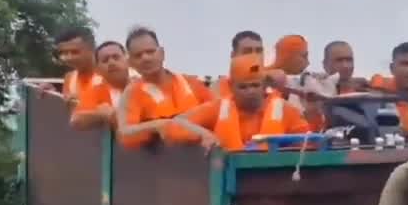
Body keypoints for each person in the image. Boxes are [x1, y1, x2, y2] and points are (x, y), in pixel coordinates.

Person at [165, 54, 307, 151]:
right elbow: (176, 123)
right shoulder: (218, 108)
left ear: (264, 85)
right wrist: (203, 134)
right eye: (243, 87)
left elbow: (309, 143)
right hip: (229, 180)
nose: (250, 91)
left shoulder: (285, 110)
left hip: (273, 180)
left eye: (255, 85)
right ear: (231, 86)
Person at [115, 27, 213, 149]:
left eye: (150, 52)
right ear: (131, 63)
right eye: (138, 55)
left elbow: (216, 113)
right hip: (163, 158)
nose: (145, 58)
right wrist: (157, 125)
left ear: (162, 53)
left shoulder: (192, 83)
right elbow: (124, 133)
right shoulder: (132, 92)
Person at [70, 41, 132, 130]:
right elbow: (75, 121)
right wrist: (100, 115)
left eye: (116, 57)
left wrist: (113, 115)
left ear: (128, 61)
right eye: (105, 60)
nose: (111, 63)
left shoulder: (143, 85)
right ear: (97, 69)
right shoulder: (96, 91)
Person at [214, 30, 266, 96]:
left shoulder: (273, 84)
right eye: (247, 52)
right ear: (233, 55)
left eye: (259, 51)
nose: (254, 56)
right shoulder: (217, 89)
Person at [55, 26, 99, 101]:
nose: (69, 58)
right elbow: (68, 106)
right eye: (64, 53)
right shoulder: (69, 78)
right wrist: (53, 94)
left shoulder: (110, 76)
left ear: (92, 49)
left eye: (75, 52)